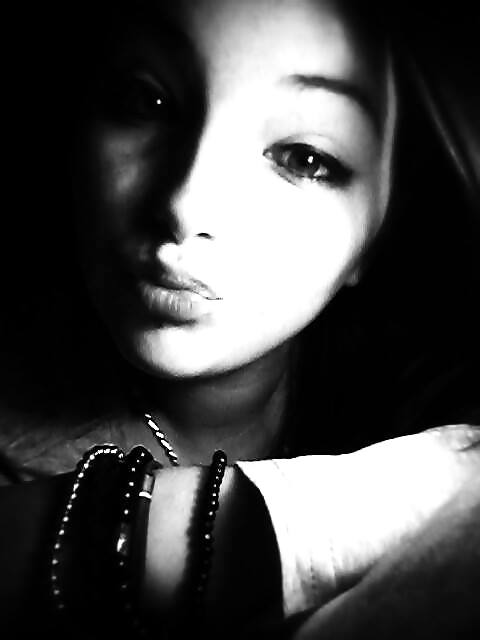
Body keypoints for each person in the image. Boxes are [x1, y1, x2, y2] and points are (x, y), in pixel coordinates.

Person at [0, 0, 479, 637]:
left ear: (381, 229)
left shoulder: (415, 394)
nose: (185, 204)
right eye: (147, 101)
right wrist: (313, 526)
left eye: (304, 157)